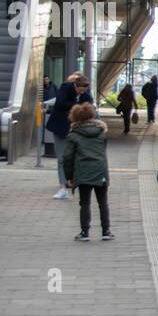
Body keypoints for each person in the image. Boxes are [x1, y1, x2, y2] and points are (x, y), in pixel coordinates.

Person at [62, 102, 113, 242]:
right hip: (100, 171)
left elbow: (67, 158)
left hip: (83, 172)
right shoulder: (101, 133)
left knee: (84, 203)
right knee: (103, 202)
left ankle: (85, 232)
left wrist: (69, 177)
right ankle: (106, 231)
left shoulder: (73, 135)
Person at [46, 72, 85, 199]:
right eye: (80, 90)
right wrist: (77, 105)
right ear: (75, 85)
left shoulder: (84, 92)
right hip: (61, 128)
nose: (81, 93)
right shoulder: (65, 88)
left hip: (76, 129)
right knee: (62, 158)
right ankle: (63, 186)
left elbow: (89, 105)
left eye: (84, 91)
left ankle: (72, 180)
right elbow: (60, 104)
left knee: (76, 156)